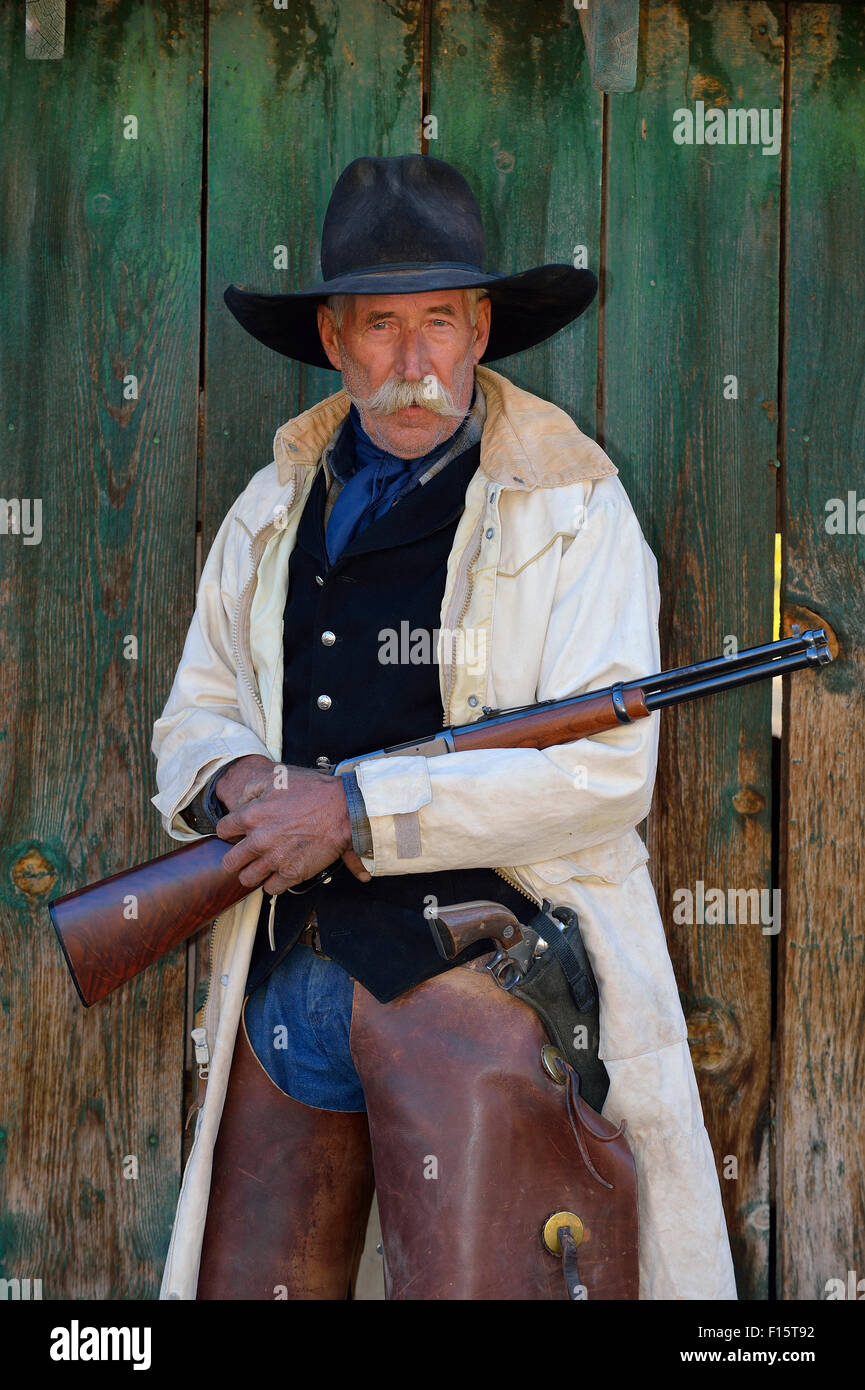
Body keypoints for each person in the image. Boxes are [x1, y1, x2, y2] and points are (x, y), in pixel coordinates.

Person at [151, 154, 737, 1301]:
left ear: (480, 329)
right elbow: (196, 706)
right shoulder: (271, 501)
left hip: (486, 991)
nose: (413, 364)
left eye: (438, 323)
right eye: (381, 326)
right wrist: (234, 781)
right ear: (333, 338)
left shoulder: (574, 502)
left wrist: (357, 807)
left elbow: (605, 774)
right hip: (289, 992)